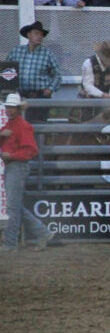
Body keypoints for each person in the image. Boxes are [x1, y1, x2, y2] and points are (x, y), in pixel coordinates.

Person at [0, 93, 54, 252]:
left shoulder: (21, 126)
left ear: (17, 109)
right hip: (13, 166)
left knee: (12, 207)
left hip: (17, 166)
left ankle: (10, 243)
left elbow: (31, 151)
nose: (9, 110)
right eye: (8, 108)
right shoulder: (13, 125)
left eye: (12, 108)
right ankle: (43, 232)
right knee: (15, 206)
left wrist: (11, 155)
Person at [7, 21, 62, 122]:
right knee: (17, 125)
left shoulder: (47, 54)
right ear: (29, 34)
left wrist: (50, 89)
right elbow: (6, 71)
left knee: (38, 125)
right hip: (19, 96)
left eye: (41, 34)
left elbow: (57, 75)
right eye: (36, 33)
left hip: (39, 96)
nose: (39, 36)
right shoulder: (16, 51)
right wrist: (8, 89)